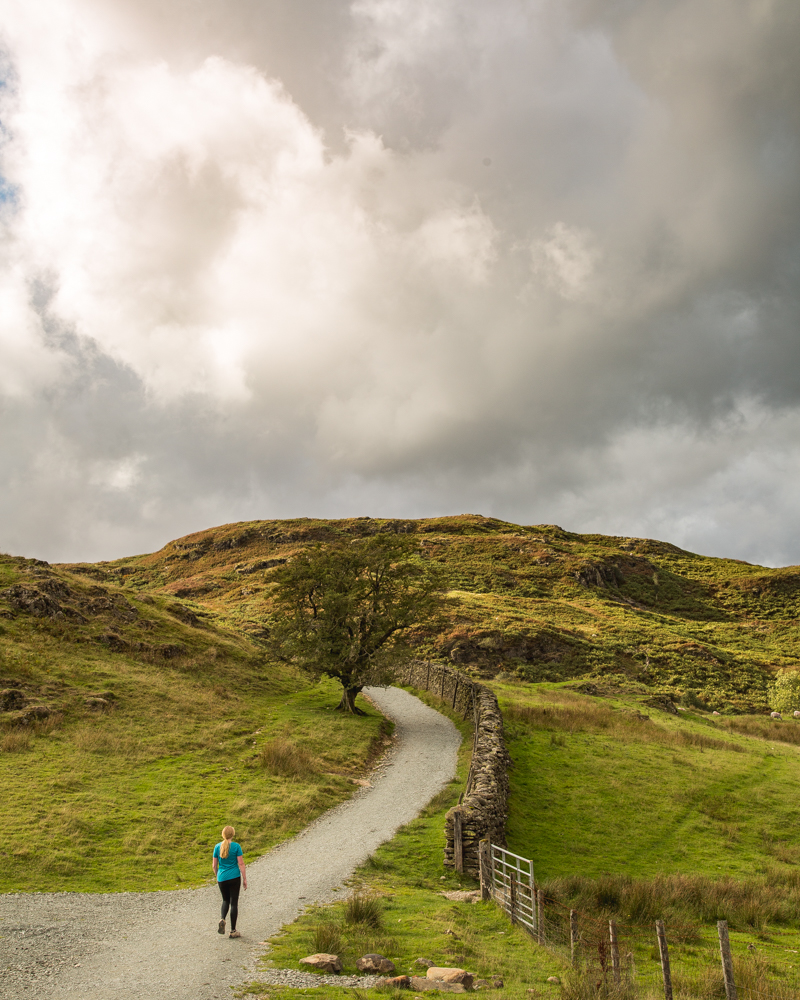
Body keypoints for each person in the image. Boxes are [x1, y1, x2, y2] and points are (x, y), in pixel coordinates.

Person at [212, 825, 247, 938]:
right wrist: (245, 879)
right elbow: (241, 864)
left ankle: (222, 918)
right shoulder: (236, 847)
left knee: (225, 900)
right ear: (232, 834)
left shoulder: (217, 847)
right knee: (234, 903)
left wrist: (218, 877)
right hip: (234, 877)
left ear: (223, 834)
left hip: (222, 877)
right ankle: (233, 931)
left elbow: (214, 866)